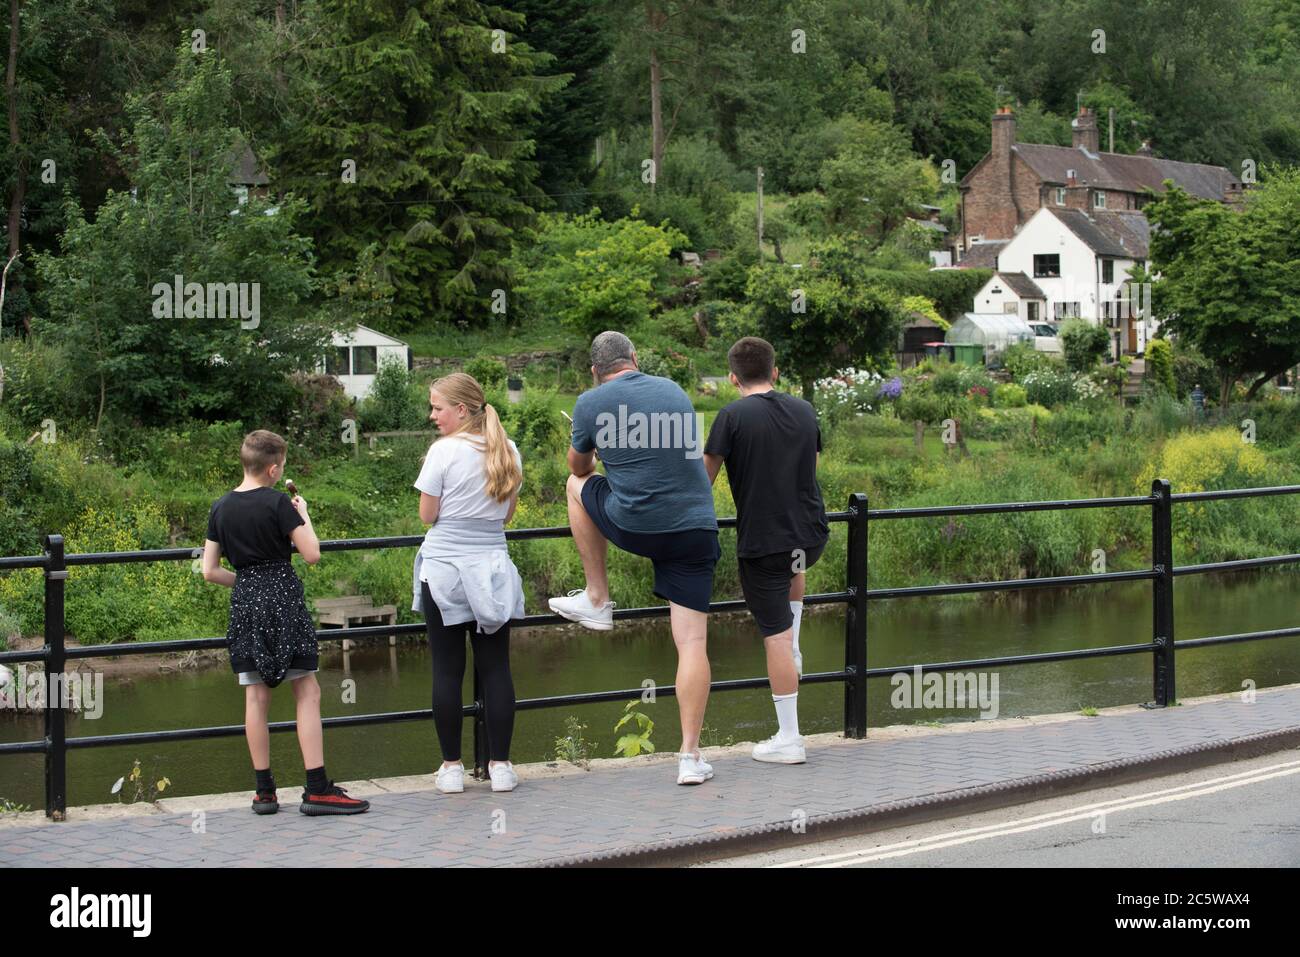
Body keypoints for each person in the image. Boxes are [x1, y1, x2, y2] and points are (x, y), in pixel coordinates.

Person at [548, 331, 721, 786]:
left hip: (640, 526)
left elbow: (579, 468)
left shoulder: (590, 401)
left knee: (573, 489)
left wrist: (598, 445)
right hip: (696, 528)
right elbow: (674, 457)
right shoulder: (675, 392)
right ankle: (689, 756)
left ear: (594, 371)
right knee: (692, 644)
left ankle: (598, 598)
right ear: (635, 360)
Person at [203, 429, 370, 815]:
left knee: (256, 697)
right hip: (283, 601)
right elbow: (311, 554)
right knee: (307, 692)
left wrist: (245, 583)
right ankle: (316, 788)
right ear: (274, 469)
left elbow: (209, 571)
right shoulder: (279, 503)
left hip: (246, 604)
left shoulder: (220, 507)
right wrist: (304, 515)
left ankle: (264, 792)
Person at [702, 337, 829, 764]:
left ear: (733, 377)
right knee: (793, 574)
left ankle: (790, 738)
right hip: (809, 538)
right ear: (775, 372)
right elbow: (808, 471)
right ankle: (793, 643)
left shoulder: (731, 416)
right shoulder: (805, 410)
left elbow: (705, 480)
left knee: (772, 636)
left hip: (764, 542)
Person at [413, 372, 525, 795]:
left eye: (437, 407)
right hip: (493, 570)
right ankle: (500, 766)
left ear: (461, 410)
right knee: (496, 668)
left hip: (444, 569)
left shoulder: (442, 452)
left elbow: (427, 515)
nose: (432, 415)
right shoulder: (507, 449)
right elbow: (507, 516)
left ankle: (452, 768)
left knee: (447, 670)